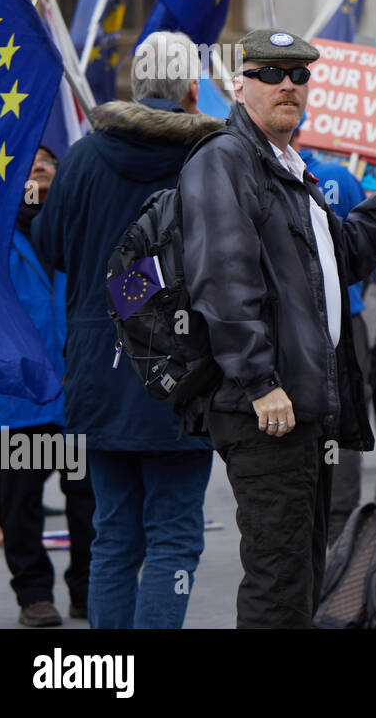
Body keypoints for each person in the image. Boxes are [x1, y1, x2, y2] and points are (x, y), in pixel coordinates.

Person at [179, 29, 376, 628]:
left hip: (297, 410)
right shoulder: (226, 159)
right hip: (265, 408)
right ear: (240, 83)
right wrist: (258, 380)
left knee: (300, 575)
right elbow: (222, 279)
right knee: (279, 584)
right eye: (272, 72)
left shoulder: (286, 167)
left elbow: (345, 253)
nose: (288, 84)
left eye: (299, 75)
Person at [31, 33, 221, 628]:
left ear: (133, 86)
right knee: (174, 537)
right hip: (183, 369)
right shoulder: (212, 157)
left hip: (97, 369)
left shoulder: (85, 158)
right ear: (192, 88)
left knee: (113, 535)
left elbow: (51, 248)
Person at [0, 147, 96, 626]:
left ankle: (88, 590)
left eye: (47, 159)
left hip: (83, 397)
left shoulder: (83, 232)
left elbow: (127, 293)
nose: (37, 164)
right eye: (27, 159)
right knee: (20, 507)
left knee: (90, 503)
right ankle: (34, 596)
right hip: (19, 400)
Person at [289, 125, 375, 541]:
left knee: (308, 420)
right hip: (341, 321)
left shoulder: (330, 178)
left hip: (303, 326)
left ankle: (322, 526)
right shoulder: (338, 176)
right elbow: (365, 242)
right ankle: (337, 529)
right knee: (342, 419)